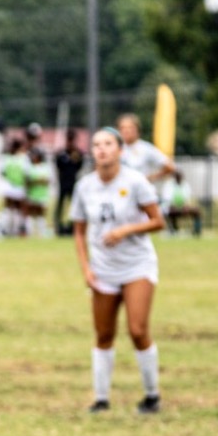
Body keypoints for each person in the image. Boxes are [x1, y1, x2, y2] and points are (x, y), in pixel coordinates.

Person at [71, 126, 165, 415]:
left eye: (108, 143)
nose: (102, 149)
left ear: (120, 150)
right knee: (103, 334)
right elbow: (78, 231)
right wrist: (86, 269)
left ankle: (152, 395)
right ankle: (101, 399)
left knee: (137, 330)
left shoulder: (135, 182)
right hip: (103, 269)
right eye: (97, 144)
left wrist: (127, 230)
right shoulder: (85, 186)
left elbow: (157, 221)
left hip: (137, 265)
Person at [116, 113, 174, 187]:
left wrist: (150, 178)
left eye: (130, 127)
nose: (126, 131)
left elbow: (170, 167)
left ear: (138, 130)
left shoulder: (146, 148)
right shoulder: (115, 148)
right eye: (122, 128)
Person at [53, 130, 86, 236]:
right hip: (63, 183)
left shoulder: (78, 153)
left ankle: (72, 227)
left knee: (74, 206)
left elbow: (79, 166)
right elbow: (58, 166)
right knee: (60, 206)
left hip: (73, 183)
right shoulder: (61, 153)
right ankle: (59, 226)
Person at [163, 171, 201, 237]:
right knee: (172, 211)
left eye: (180, 177)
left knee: (196, 210)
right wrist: (174, 205)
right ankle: (174, 229)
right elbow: (167, 199)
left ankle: (197, 231)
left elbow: (187, 198)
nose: (179, 179)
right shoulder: (169, 185)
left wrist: (185, 206)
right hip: (171, 207)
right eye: (177, 177)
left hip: (183, 207)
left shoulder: (185, 185)